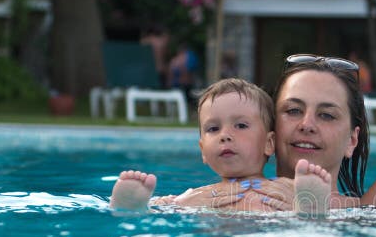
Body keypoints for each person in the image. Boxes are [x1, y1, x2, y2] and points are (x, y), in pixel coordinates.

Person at [200, 54, 376, 211]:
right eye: (293, 110)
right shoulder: (220, 194)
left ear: (351, 140)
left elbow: (374, 211)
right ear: (271, 131)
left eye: (327, 115)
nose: (307, 124)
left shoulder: (348, 210)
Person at [109, 78, 332, 216]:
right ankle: (131, 211)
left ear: (268, 143)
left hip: (276, 231)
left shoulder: (287, 187)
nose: (225, 135)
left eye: (241, 125)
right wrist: (145, 203)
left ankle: (310, 210)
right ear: (203, 150)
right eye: (213, 129)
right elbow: (167, 206)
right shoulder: (195, 195)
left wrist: (305, 197)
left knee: (305, 209)